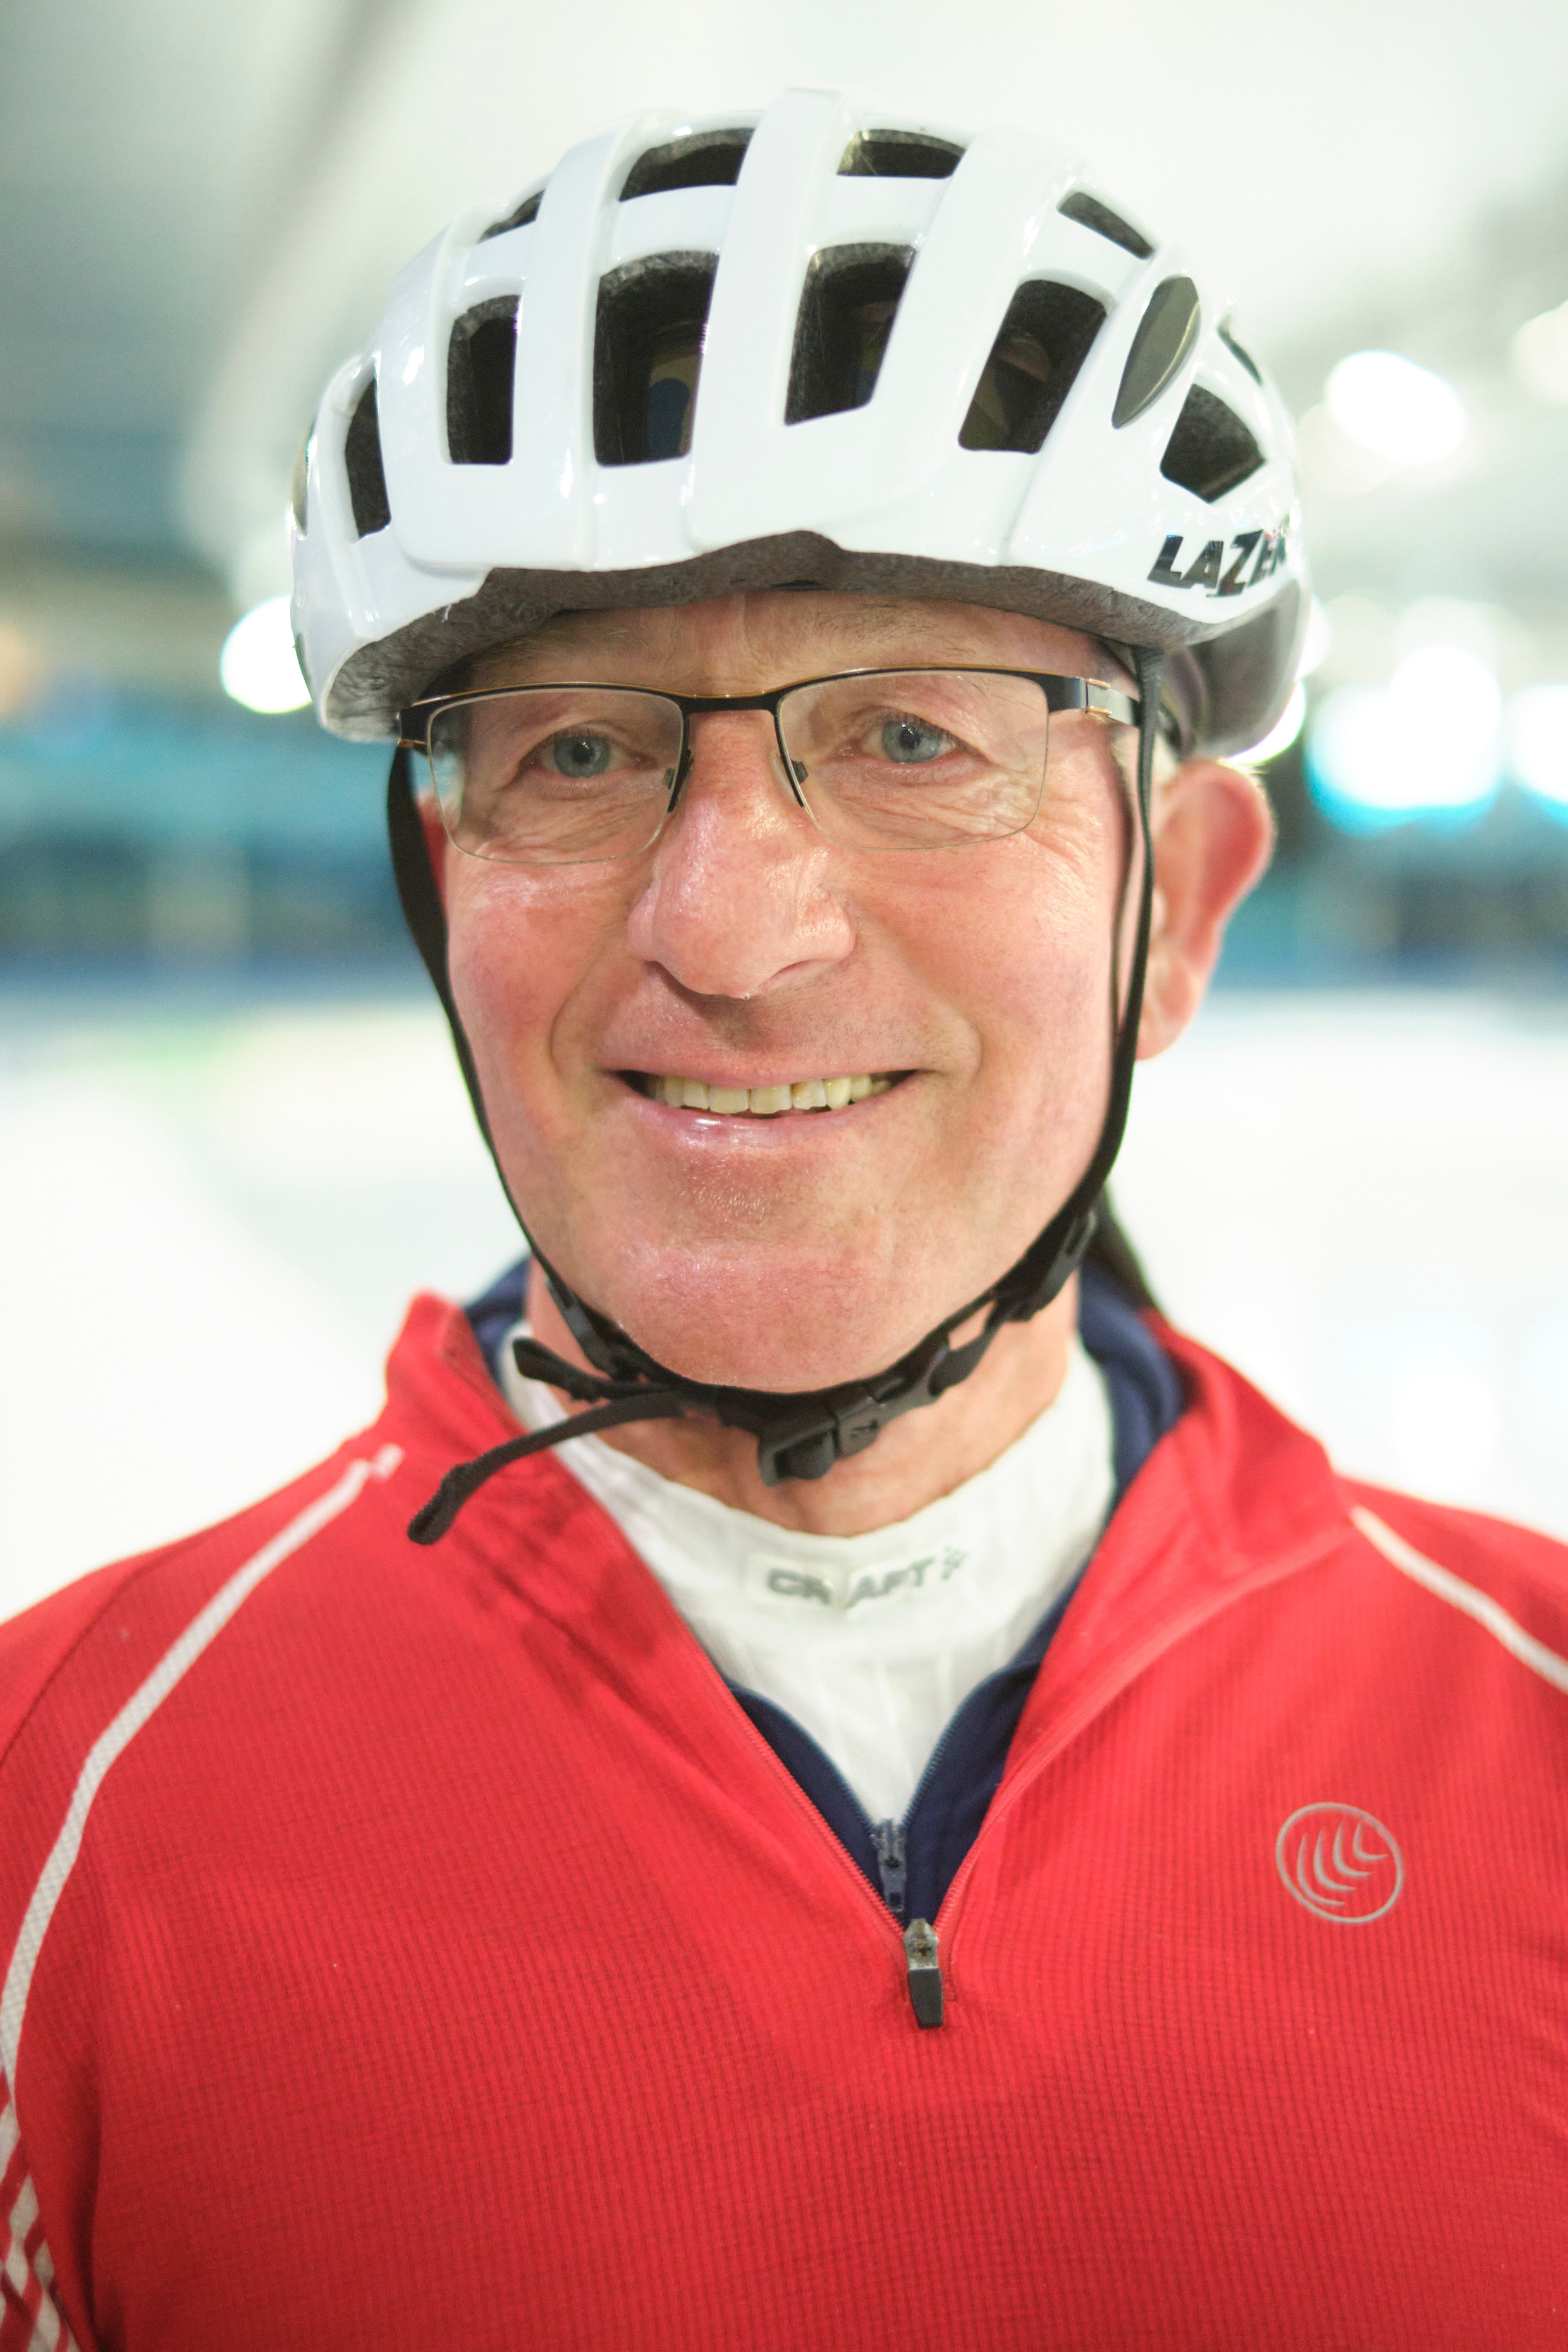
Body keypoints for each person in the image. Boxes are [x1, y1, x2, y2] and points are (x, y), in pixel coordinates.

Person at [3, 89, 1565, 2352]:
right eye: (576, 749)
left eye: (923, 738)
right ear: (449, 900)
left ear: (1179, 909)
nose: (729, 929)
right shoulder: (59, 1824)